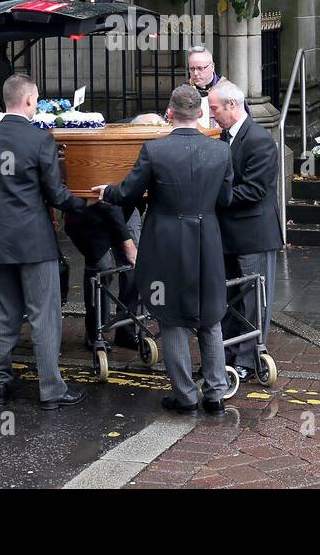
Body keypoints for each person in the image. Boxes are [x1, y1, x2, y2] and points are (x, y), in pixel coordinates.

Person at [93, 85, 234, 415]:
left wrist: (106, 192)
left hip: (167, 240)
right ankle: (215, 394)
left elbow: (128, 192)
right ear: (201, 113)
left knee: (171, 318)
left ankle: (184, 395)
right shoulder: (220, 151)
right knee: (211, 315)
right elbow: (226, 200)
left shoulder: (155, 151)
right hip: (207, 239)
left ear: (169, 113)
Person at [0, 74, 88, 409]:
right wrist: (87, 206)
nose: (36, 104)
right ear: (27, 100)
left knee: (4, 314)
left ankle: (0, 382)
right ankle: (51, 389)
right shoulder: (40, 141)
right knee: (44, 316)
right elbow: (56, 194)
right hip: (35, 242)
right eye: (35, 99)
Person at [207, 79, 283, 380]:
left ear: (232, 105)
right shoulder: (224, 138)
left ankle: (249, 359)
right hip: (228, 235)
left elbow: (253, 190)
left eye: (214, 109)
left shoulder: (259, 140)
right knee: (229, 298)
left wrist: (214, 198)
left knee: (253, 300)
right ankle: (226, 353)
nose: (212, 115)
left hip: (253, 235)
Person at [63, 202, 141, 351]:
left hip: (125, 206)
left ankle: (126, 331)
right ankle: (95, 333)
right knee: (100, 268)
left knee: (134, 267)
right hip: (89, 210)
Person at [186, 45, 221, 127]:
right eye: (192, 69)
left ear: (212, 67)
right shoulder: (183, 91)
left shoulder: (227, 90)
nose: (195, 73)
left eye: (200, 68)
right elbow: (171, 121)